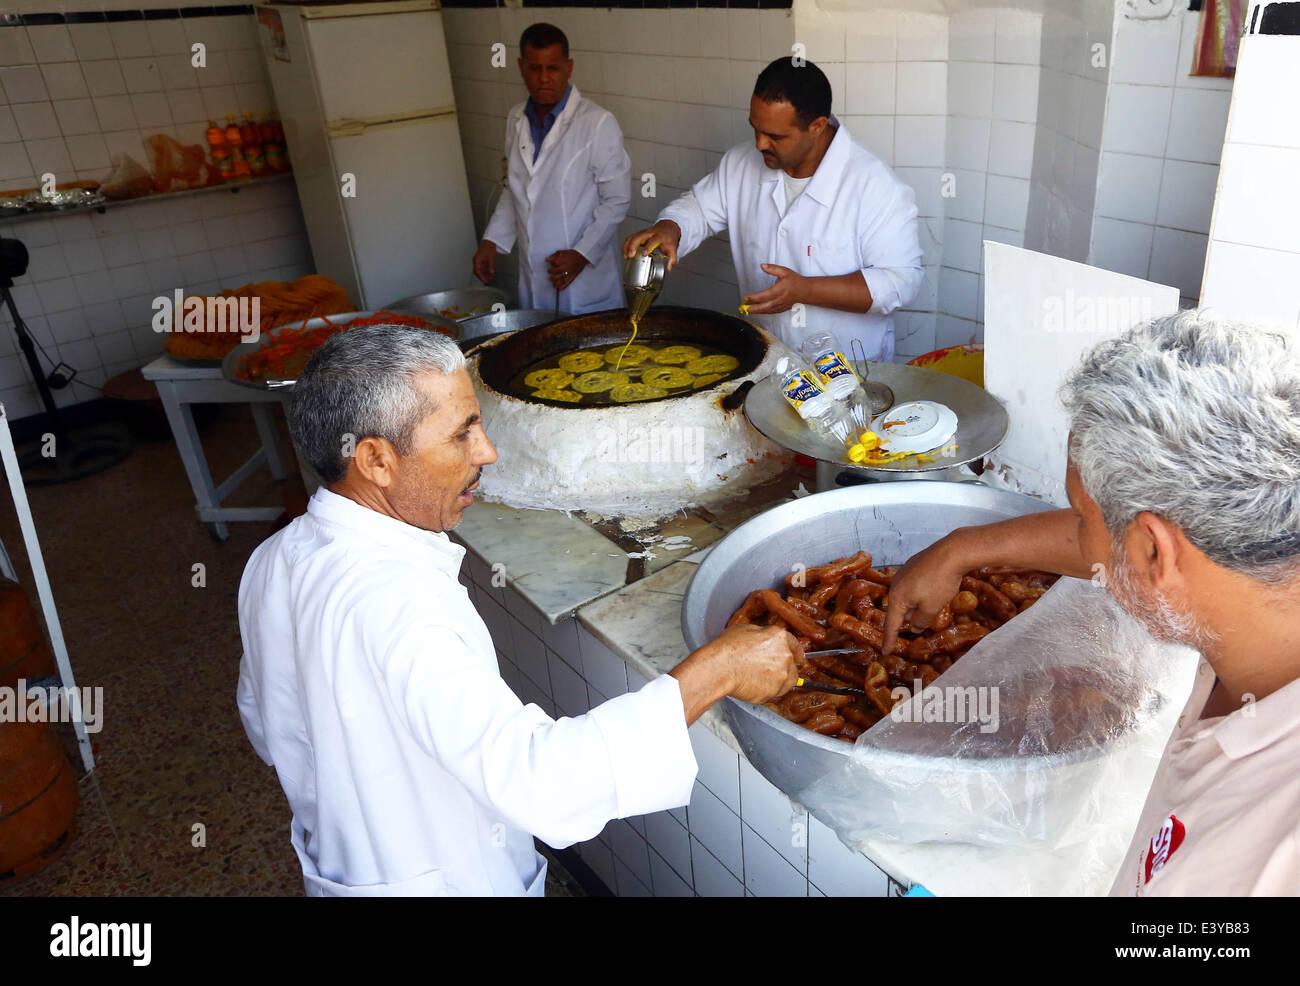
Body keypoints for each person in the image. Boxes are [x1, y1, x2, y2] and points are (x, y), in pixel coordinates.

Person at [236, 324, 799, 896]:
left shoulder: (276, 556)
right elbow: (545, 785)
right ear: (376, 460)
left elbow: (269, 728)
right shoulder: (401, 605)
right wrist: (716, 670)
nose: (488, 452)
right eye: (462, 433)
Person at [881, 310, 1300, 896]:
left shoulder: (1268, 854)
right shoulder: (1261, 579)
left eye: (1082, 516)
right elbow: (1115, 552)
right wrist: (960, 550)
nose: (1078, 536)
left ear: (1155, 552)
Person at [623, 57, 922, 360]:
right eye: (755, 128)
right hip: (765, 359)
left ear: (817, 126)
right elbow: (700, 208)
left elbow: (901, 282)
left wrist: (805, 290)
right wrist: (671, 227)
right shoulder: (740, 163)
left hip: (848, 370)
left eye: (776, 136)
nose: (759, 144)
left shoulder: (874, 186)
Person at [473, 23, 630, 314]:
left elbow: (617, 200)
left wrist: (582, 254)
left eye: (553, 68)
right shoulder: (515, 119)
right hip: (536, 279)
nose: (544, 78)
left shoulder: (597, 123)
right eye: (534, 68)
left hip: (585, 285)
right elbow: (516, 189)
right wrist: (491, 241)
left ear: (569, 67)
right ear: (521, 66)